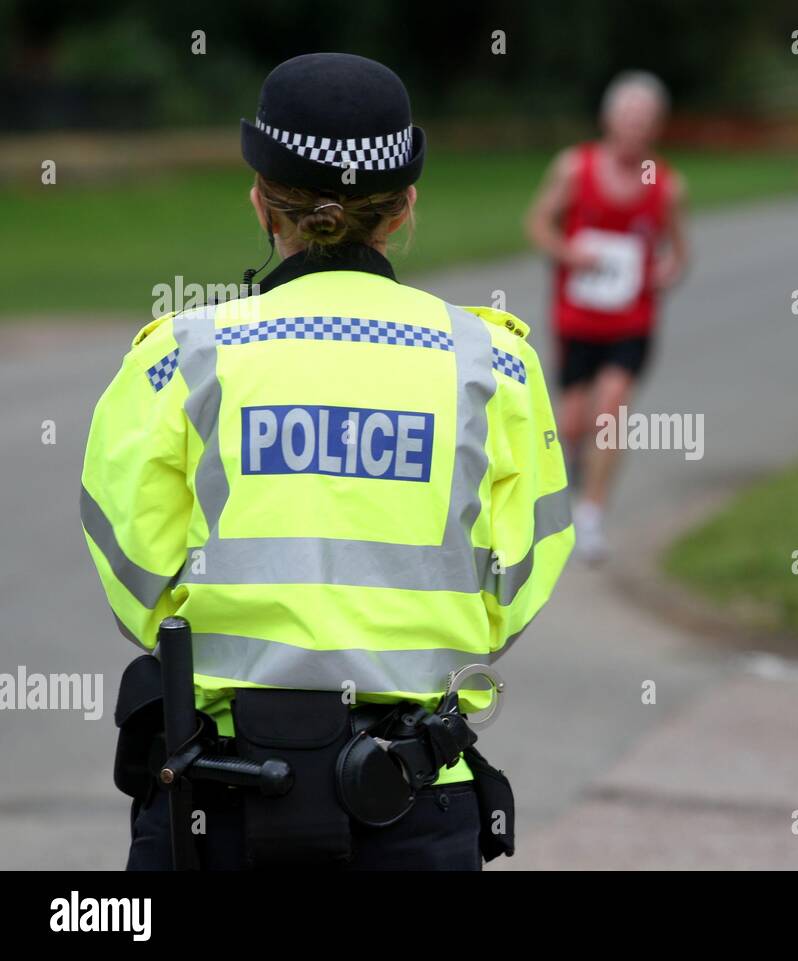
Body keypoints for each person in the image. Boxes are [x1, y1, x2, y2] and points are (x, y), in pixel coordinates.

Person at [80, 52, 574, 870]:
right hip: (413, 798)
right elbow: (512, 586)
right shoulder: (492, 365)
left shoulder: (179, 357)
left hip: (217, 798)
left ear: (260, 202)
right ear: (404, 207)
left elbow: (138, 576)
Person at [526, 70, 688, 563]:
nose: (635, 128)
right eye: (627, 117)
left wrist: (668, 270)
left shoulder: (667, 185)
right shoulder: (576, 169)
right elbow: (537, 223)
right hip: (577, 318)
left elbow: (678, 252)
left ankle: (592, 516)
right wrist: (569, 253)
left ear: (657, 126)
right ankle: (569, 473)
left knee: (611, 411)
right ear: (608, 119)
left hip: (631, 321)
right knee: (571, 421)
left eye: (645, 120)